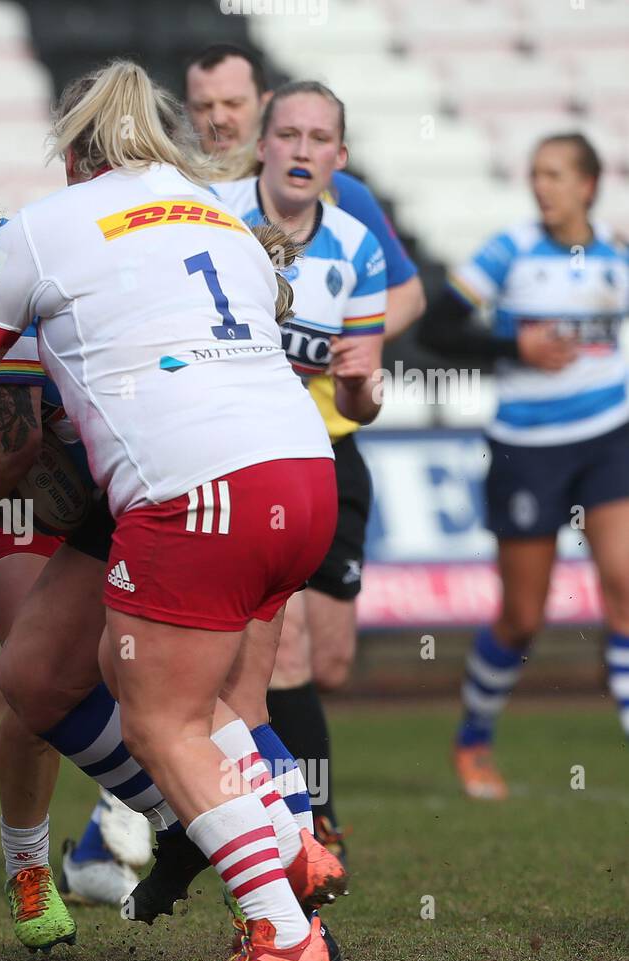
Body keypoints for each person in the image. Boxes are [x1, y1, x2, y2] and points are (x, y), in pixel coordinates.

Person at [0, 60, 342, 961]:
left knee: (164, 722)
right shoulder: (215, 211)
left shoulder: (44, 228)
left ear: (74, 153)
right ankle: (284, 839)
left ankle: (281, 922)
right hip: (300, 474)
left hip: (196, 486)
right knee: (41, 672)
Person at [186, 44, 424, 854]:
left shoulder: (354, 243)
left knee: (328, 662)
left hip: (329, 458)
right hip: (243, 463)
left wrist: (364, 379)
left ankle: (266, 810)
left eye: (318, 139)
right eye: (288, 134)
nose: (301, 149)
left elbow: (363, 384)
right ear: (264, 141)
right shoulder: (212, 215)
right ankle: (303, 827)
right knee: (272, 660)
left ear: (339, 158)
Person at [418, 134, 629, 798]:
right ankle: (474, 737)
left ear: (588, 185)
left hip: (608, 436)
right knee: (523, 617)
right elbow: (439, 329)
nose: (543, 186)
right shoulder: (508, 251)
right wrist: (515, 343)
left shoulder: (617, 255)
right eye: (536, 174)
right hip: (526, 448)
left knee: (625, 582)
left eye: (557, 174)